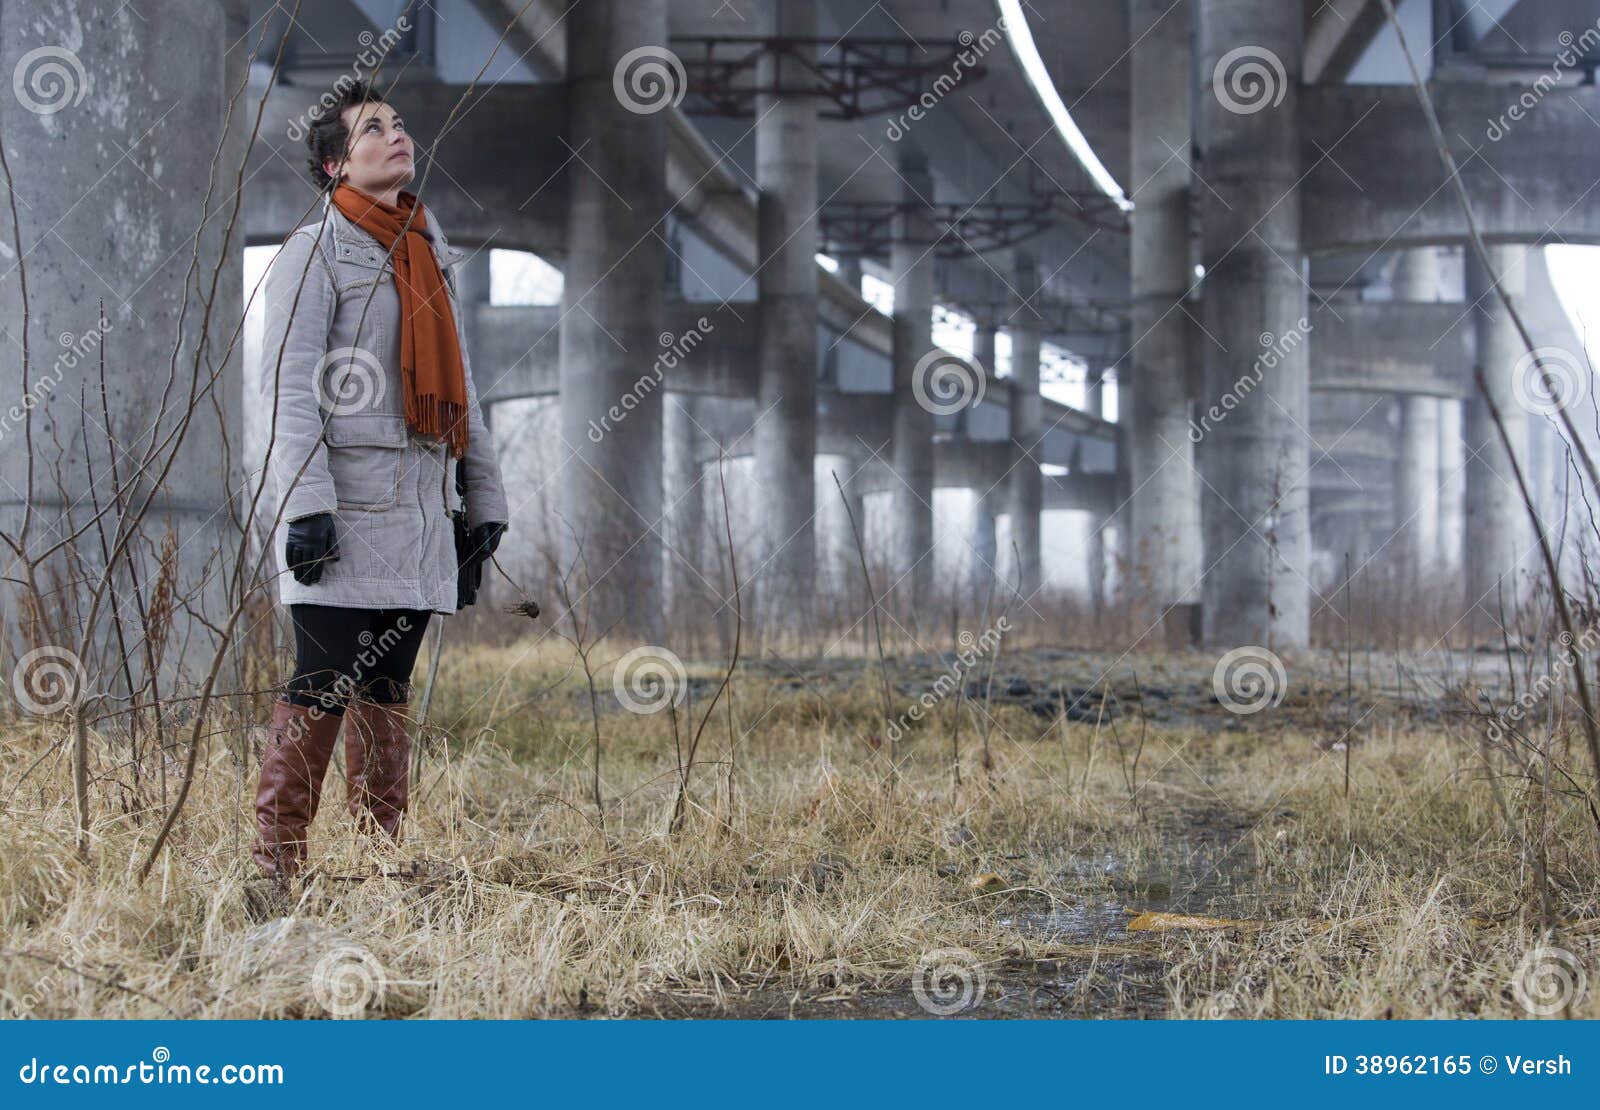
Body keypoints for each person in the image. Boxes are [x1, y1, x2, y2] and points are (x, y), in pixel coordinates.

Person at [251, 79, 508, 882]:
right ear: (335, 162)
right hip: (346, 509)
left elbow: (463, 386)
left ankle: (375, 869)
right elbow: (286, 388)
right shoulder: (312, 253)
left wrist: (483, 505)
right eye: (372, 130)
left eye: (398, 124)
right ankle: (275, 871)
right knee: (321, 680)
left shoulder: (426, 247)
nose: (396, 135)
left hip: (423, 511)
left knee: (387, 684)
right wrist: (304, 507)